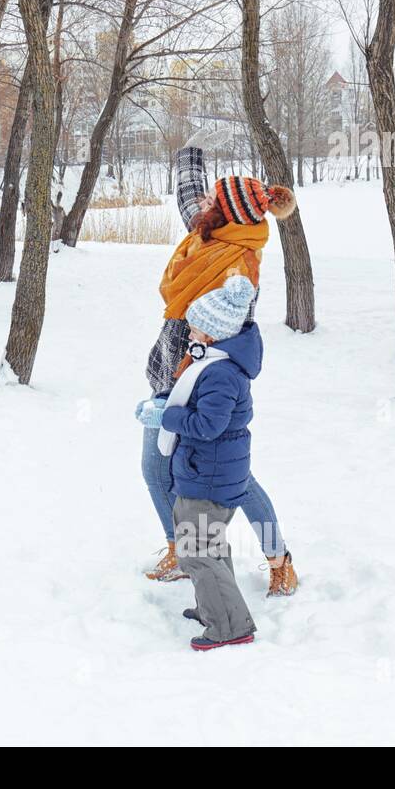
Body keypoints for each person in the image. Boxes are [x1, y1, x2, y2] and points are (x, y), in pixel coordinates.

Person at [138, 142, 299, 596]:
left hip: (208, 389)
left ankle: (279, 558)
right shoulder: (208, 234)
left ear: (227, 216)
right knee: (155, 470)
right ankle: (184, 550)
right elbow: (190, 196)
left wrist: (198, 390)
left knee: (235, 483)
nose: (202, 205)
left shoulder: (238, 270)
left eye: (211, 202)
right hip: (168, 378)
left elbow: (224, 333)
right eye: (206, 200)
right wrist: (189, 153)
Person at [142, 275, 262, 650]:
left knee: (197, 551)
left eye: (194, 329)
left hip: (207, 477)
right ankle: (214, 605)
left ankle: (229, 626)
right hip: (205, 473)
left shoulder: (221, 374)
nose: (189, 334)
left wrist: (168, 419)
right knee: (209, 545)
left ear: (211, 334)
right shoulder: (211, 364)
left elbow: (208, 425)